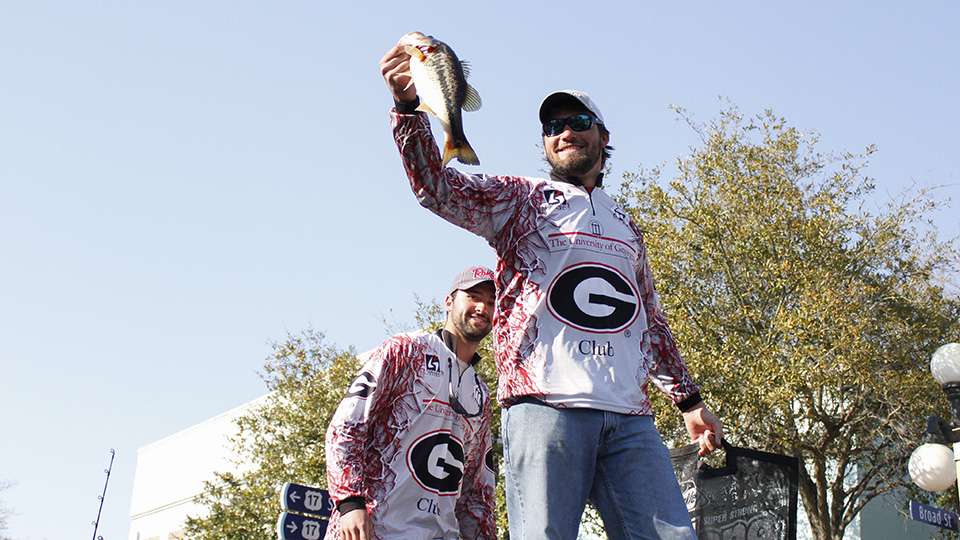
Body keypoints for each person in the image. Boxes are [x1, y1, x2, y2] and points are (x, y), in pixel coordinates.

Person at [379, 39, 724, 540]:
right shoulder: (520, 199)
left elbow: (649, 320)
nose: (565, 133)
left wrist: (689, 401)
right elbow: (435, 188)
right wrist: (408, 110)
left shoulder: (627, 225)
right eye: (552, 127)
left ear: (604, 136)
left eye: (578, 122)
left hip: (629, 417)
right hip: (545, 405)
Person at [324, 267, 498, 540]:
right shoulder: (406, 351)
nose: (482, 308)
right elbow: (347, 426)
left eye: (491, 302)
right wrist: (350, 503)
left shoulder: (481, 394)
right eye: (473, 296)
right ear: (449, 301)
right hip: (374, 529)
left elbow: (476, 489)